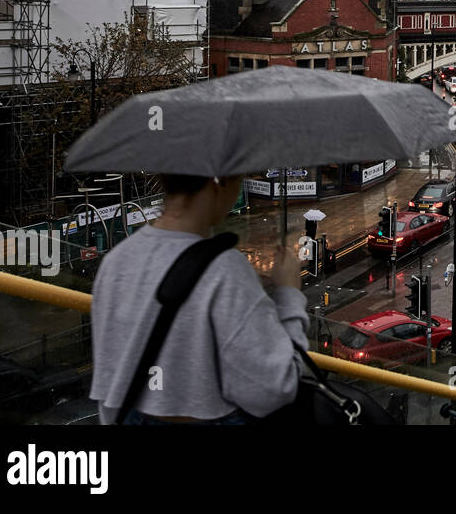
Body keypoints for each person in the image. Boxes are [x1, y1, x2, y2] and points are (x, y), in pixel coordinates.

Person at [89, 174, 308, 424]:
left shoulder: (116, 261)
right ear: (219, 183)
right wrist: (289, 293)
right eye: (237, 181)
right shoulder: (226, 270)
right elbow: (274, 388)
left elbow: (109, 387)